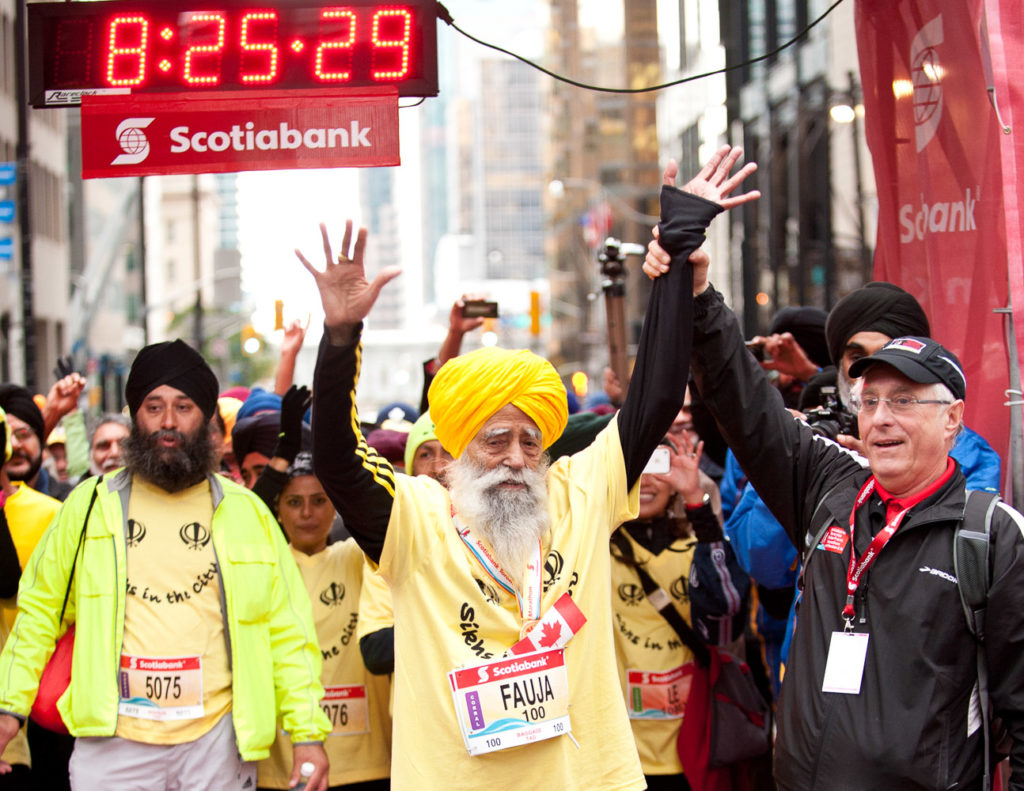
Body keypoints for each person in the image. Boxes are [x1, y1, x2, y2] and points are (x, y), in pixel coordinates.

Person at [299, 146, 758, 789]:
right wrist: (340, 337)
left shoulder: (578, 494)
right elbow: (338, 461)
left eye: (530, 441)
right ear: (457, 451)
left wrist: (678, 250)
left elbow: (652, 398)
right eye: (494, 441)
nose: (516, 457)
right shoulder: (421, 518)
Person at [645, 178, 1024, 790]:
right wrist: (696, 291)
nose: (879, 417)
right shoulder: (831, 485)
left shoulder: (990, 534)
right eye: (868, 398)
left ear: (952, 416)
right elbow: (744, 402)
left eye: (903, 400)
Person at [0, 339, 331, 791]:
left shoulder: (246, 514)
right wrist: (7, 709)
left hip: (217, 743)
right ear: (135, 415)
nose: (169, 422)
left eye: (184, 406)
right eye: (153, 407)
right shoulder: (88, 507)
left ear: (208, 419)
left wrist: (308, 732)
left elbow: (288, 631)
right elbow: (38, 614)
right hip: (111, 741)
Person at [610, 430, 749, 791]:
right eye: (634, 467)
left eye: (657, 466)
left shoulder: (698, 547)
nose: (646, 481)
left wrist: (694, 497)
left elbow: (727, 617)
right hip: (621, 749)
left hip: (695, 737)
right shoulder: (596, 548)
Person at [257, 453, 390, 791]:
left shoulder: (356, 557)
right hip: (284, 762)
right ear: (278, 509)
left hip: (367, 762)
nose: (306, 513)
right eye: (293, 502)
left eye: (319, 501)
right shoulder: (263, 565)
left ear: (335, 507)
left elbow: (375, 514)